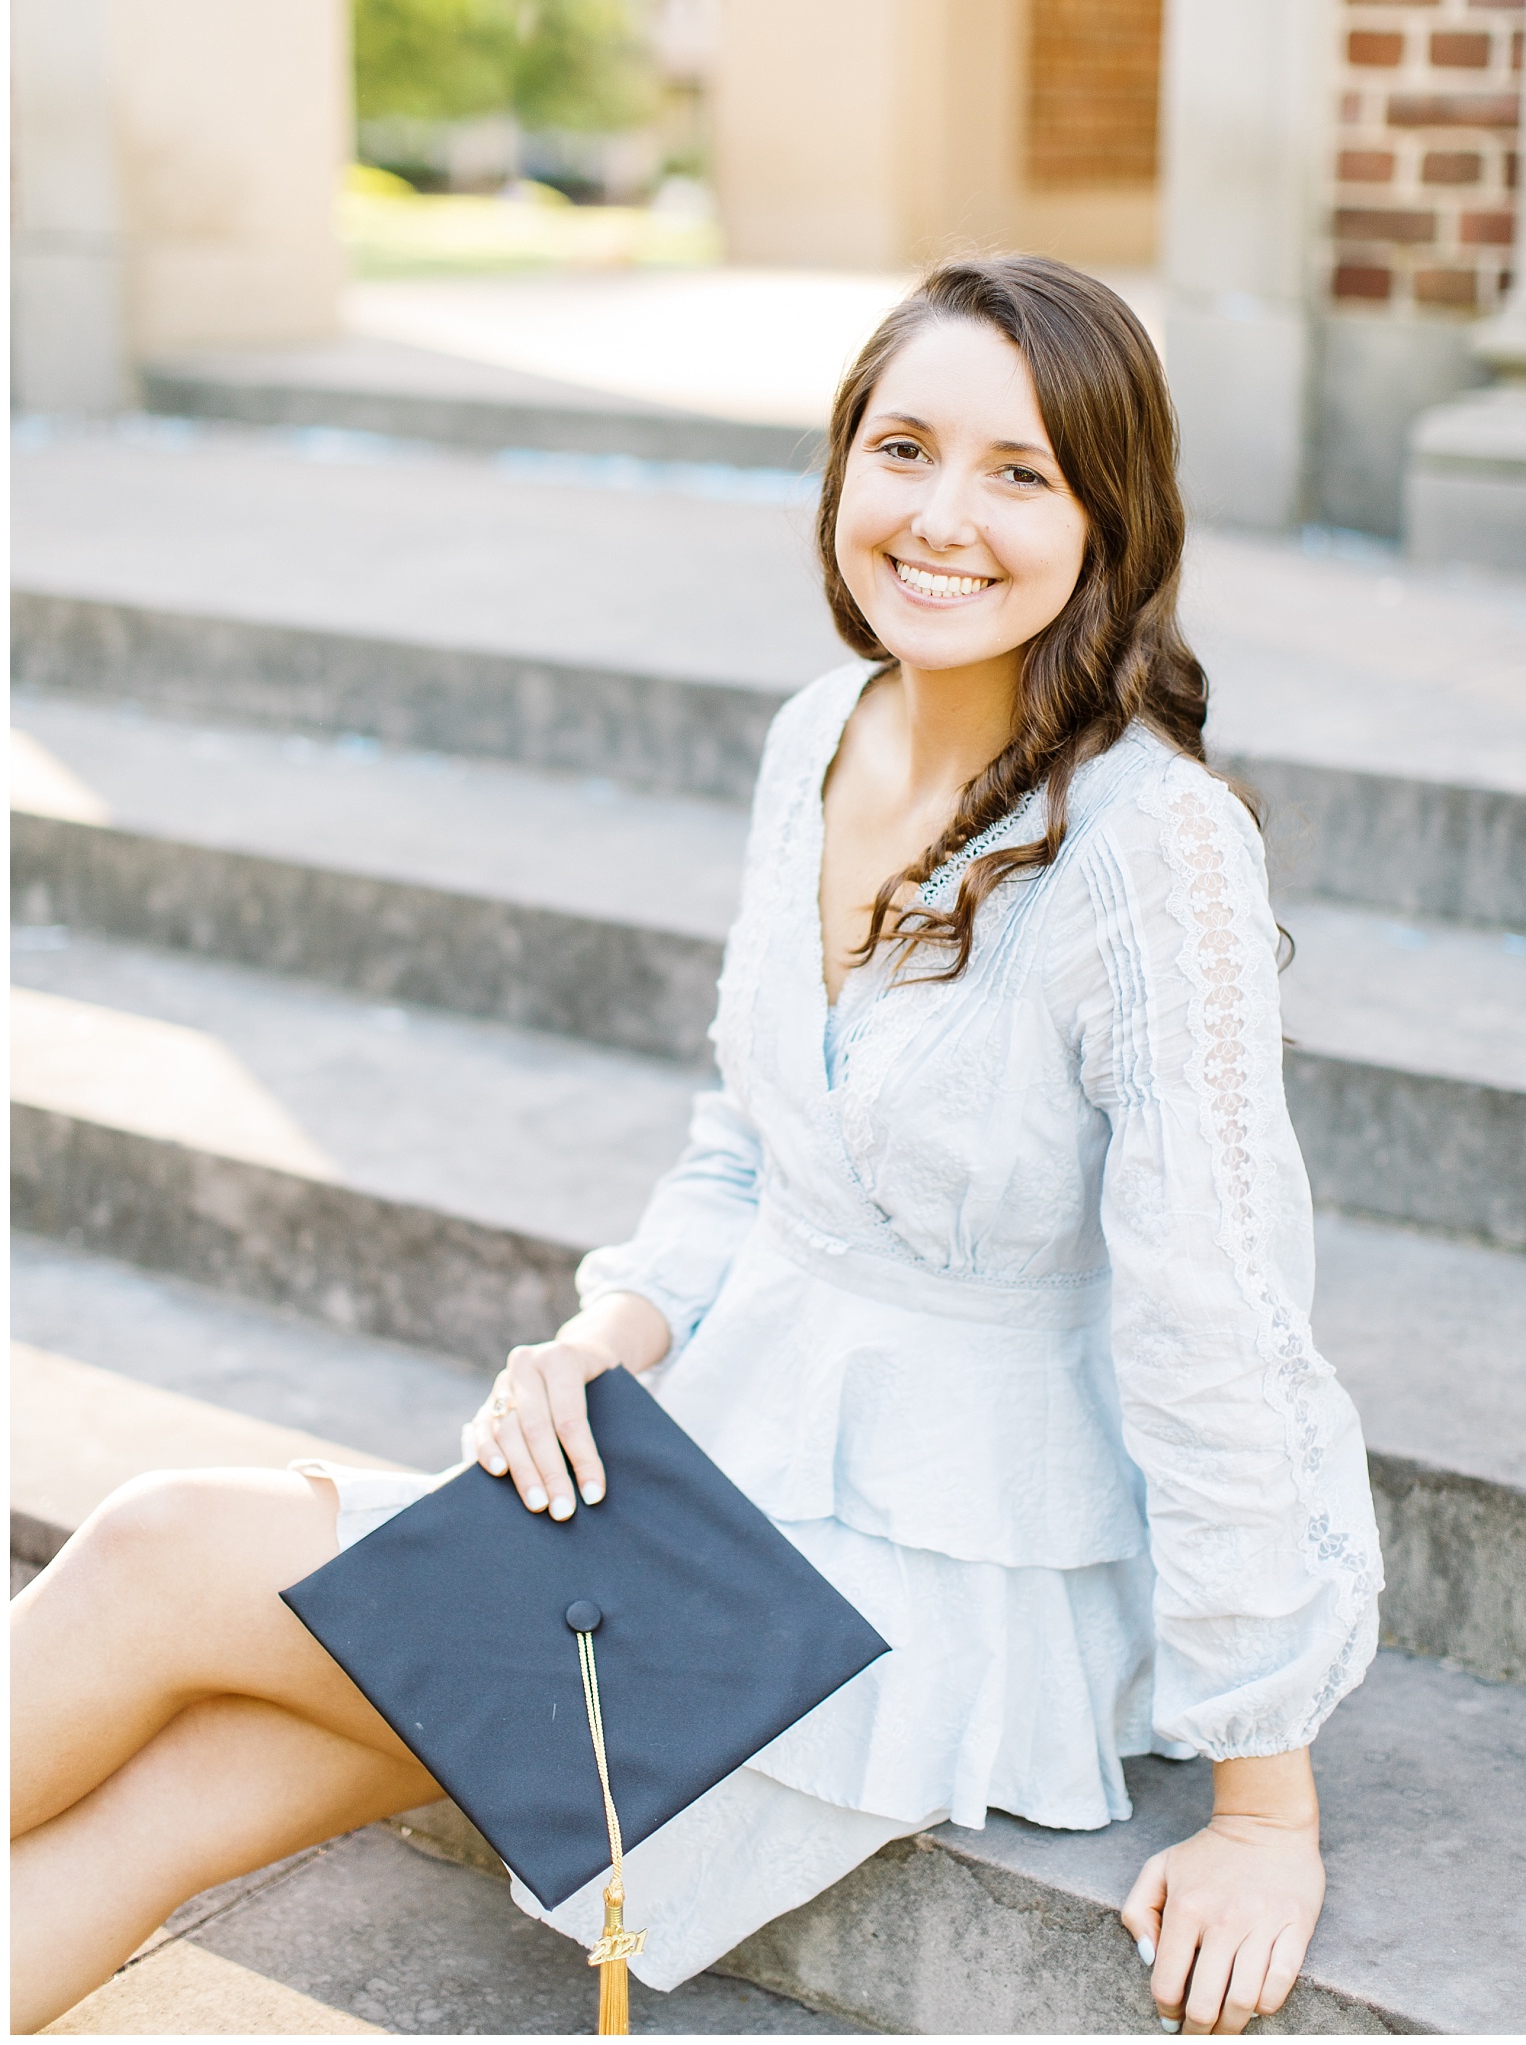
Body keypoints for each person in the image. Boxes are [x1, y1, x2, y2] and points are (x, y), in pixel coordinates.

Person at [11, 258, 1381, 2037]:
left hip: (929, 1577)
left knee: (156, 1551)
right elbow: (752, 1138)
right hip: (735, 1443)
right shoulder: (822, 735)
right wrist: (608, 1331)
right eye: (904, 447)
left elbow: (1218, 1315)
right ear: (842, 465)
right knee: (192, 1788)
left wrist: (1266, 1809)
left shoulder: (1152, 849)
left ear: (1110, 521)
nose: (941, 515)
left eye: (1020, 472)